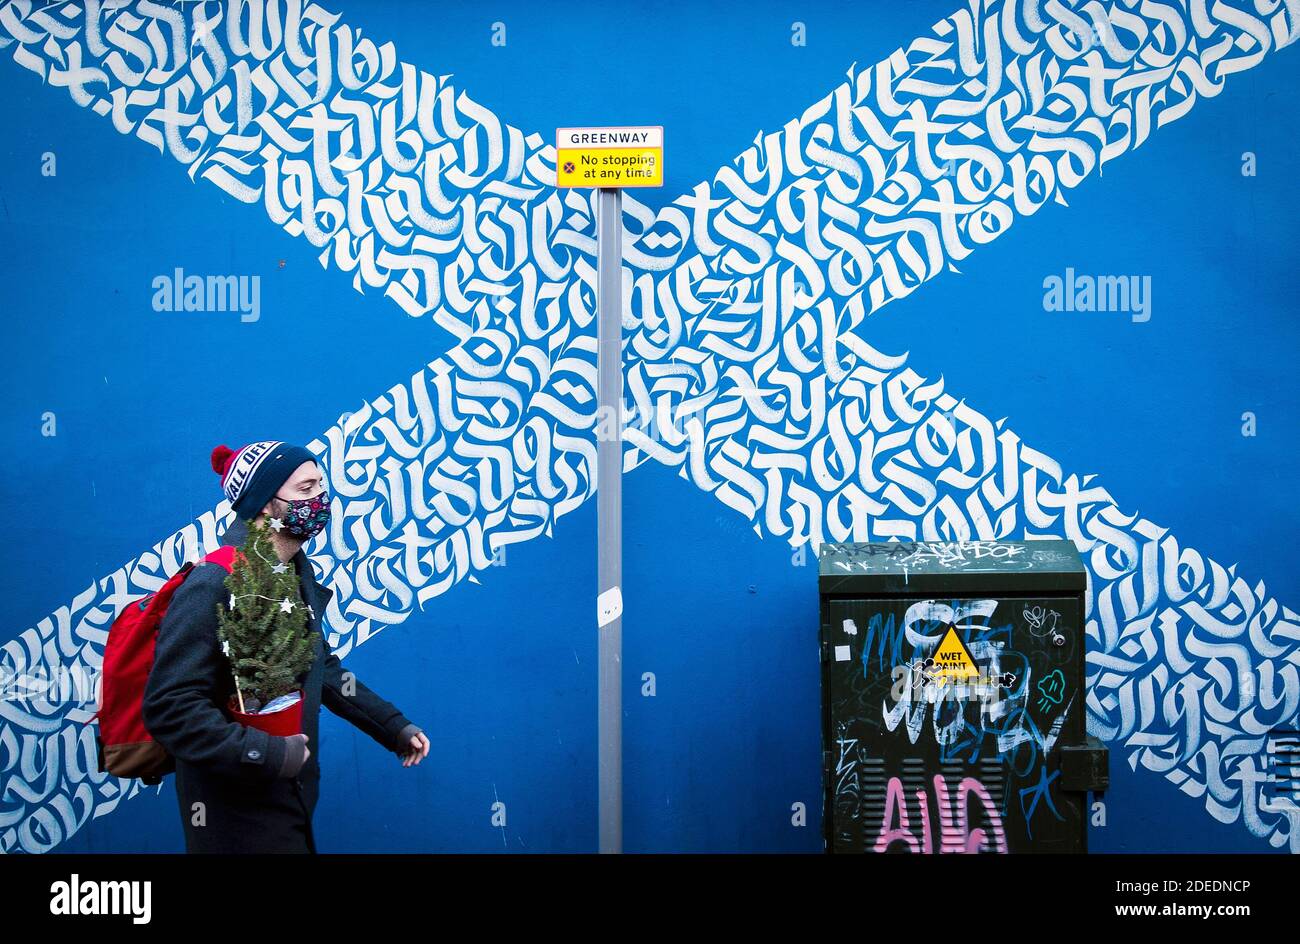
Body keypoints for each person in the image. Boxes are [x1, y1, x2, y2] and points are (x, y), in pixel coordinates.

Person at [143, 440, 430, 853]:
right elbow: (170, 707)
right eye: (306, 489)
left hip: (291, 800)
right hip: (234, 817)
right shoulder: (212, 584)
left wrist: (391, 726)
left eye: (320, 487)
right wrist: (268, 754)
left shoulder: (293, 570)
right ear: (263, 503)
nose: (321, 500)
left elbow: (319, 666)